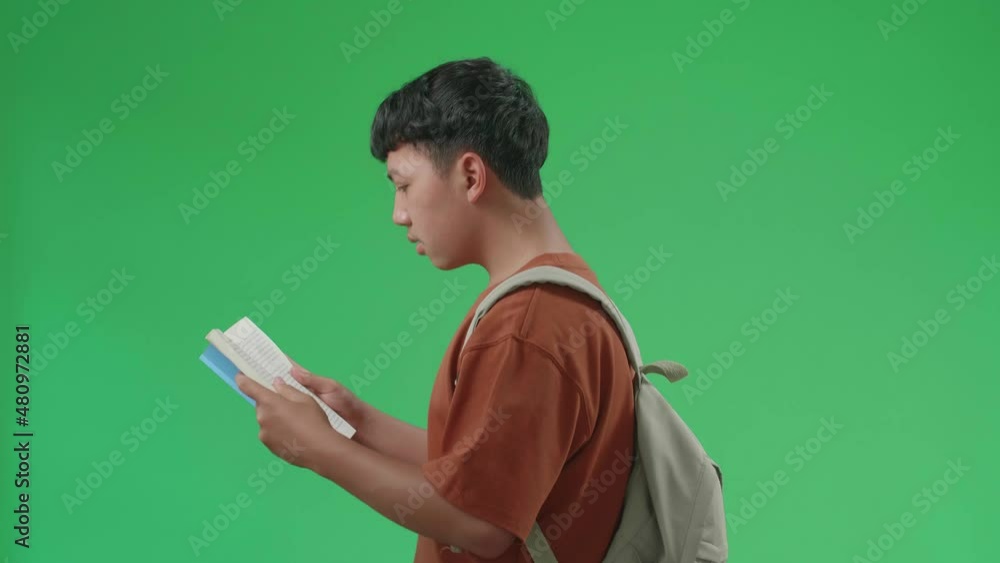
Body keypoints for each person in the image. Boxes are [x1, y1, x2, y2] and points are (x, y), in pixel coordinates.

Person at [236, 57, 636, 562]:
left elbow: (483, 524)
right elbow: (487, 470)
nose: (398, 214)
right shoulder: (563, 294)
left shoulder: (527, 325)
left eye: (403, 185)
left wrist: (321, 450)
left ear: (470, 175)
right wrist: (357, 420)